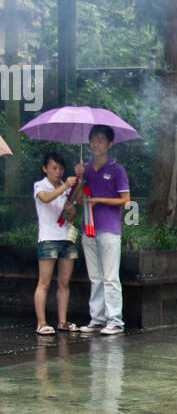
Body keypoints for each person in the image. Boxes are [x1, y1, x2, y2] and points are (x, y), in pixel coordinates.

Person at [74, 125, 130, 335]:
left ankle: (115, 320)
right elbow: (79, 199)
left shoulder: (117, 169)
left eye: (100, 140)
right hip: (88, 228)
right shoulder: (85, 168)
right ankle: (97, 318)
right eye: (93, 140)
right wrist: (78, 178)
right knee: (95, 275)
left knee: (110, 276)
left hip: (109, 227)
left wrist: (99, 200)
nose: (96, 144)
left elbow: (125, 199)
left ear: (109, 144)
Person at [33, 150, 80, 335]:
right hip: (48, 237)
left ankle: (62, 321)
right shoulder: (40, 185)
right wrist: (64, 186)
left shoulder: (66, 187)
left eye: (61, 168)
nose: (58, 172)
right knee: (44, 282)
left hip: (66, 236)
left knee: (64, 282)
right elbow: (45, 198)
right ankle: (41, 322)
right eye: (54, 168)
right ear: (45, 169)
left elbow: (70, 215)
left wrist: (71, 211)